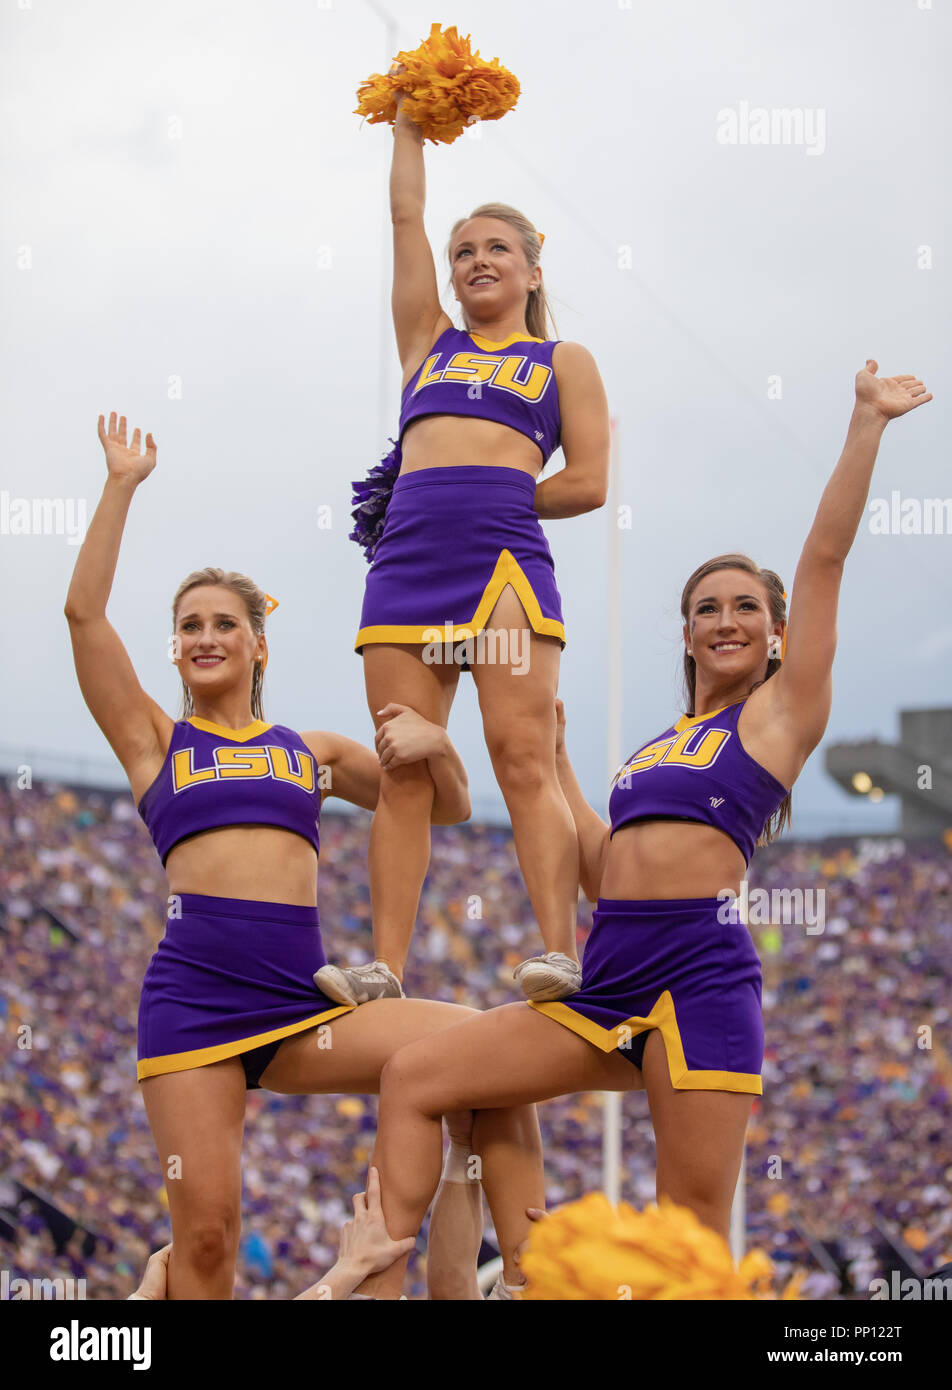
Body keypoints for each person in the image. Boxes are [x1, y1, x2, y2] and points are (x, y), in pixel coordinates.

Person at [361, 359, 932, 1284]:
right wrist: (552, 755)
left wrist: (865, 423)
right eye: (706, 608)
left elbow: (823, 559)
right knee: (418, 1077)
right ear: (685, 633)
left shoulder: (778, 718)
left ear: (777, 633)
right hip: (608, 970)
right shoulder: (657, 750)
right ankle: (467, 1275)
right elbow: (596, 861)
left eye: (746, 606)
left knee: (690, 1239)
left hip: (699, 979)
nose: (725, 620)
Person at [65, 413, 544, 1299]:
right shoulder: (154, 742)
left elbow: (448, 805)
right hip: (195, 1009)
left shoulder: (308, 750)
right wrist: (121, 487)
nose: (205, 637)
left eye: (223, 623)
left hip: (303, 1003)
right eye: (188, 626)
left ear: (259, 643)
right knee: (206, 1239)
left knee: (489, 1052)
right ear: (176, 647)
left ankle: (525, 1277)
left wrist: (438, 741)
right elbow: (83, 615)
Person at [318, 76, 612, 1009]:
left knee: (519, 756)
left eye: (496, 249)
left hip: (503, 576)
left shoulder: (560, 363)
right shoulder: (426, 342)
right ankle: (386, 967)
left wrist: (499, 491)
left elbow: (591, 482)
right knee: (405, 763)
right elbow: (405, 214)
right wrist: (408, 120)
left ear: (533, 269)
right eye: (463, 252)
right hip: (405, 571)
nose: (474, 260)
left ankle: (559, 952)